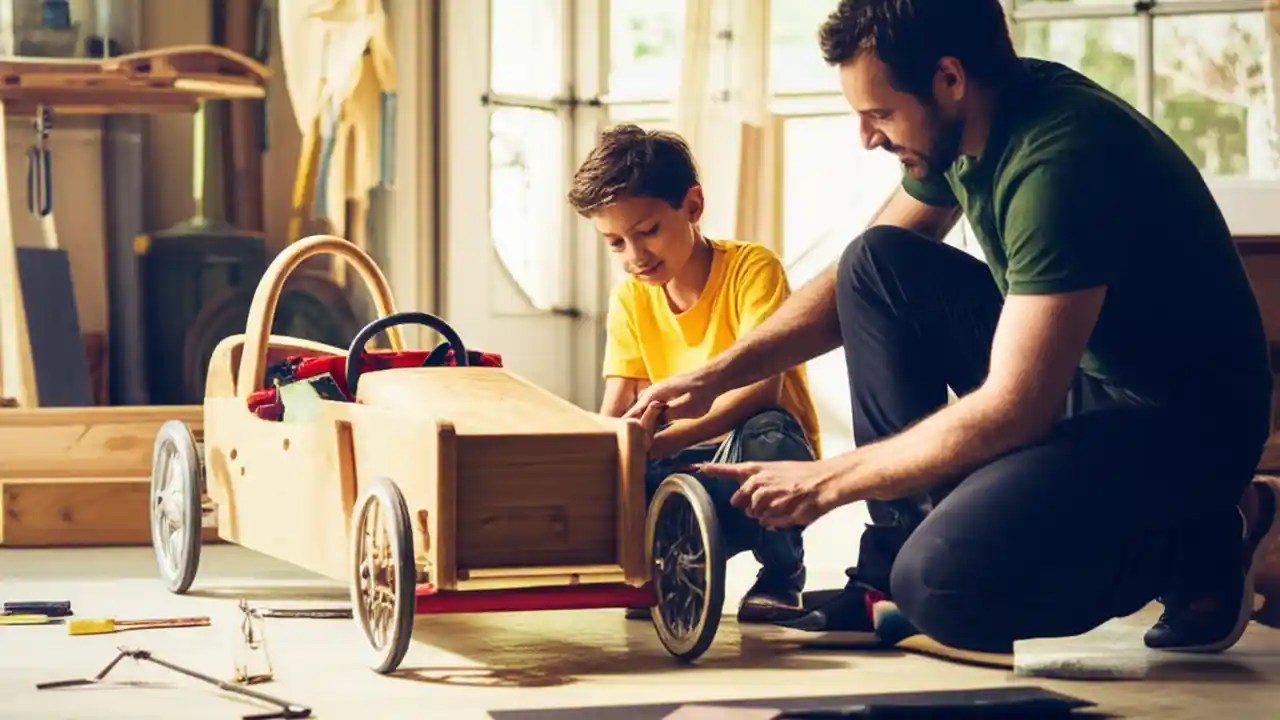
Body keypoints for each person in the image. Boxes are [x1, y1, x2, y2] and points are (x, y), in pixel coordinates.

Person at [625, 0, 1280, 655]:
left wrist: (827, 479)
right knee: (874, 261)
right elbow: (855, 285)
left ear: (948, 78)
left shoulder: (1061, 162)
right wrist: (714, 376)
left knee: (941, 586)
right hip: (1083, 378)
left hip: (1180, 427)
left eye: (879, 113)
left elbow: (1016, 409)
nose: (867, 136)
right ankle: (885, 571)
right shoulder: (970, 126)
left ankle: (1203, 533)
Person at [571, 123, 824, 623]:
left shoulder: (753, 269)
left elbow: (761, 389)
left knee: (767, 433)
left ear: (692, 207)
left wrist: (665, 440)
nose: (635, 256)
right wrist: (602, 457)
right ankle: (669, 568)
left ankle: (780, 573)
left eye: (647, 232)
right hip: (680, 465)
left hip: (755, 455)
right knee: (620, 466)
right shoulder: (629, 297)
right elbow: (616, 403)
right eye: (615, 243)